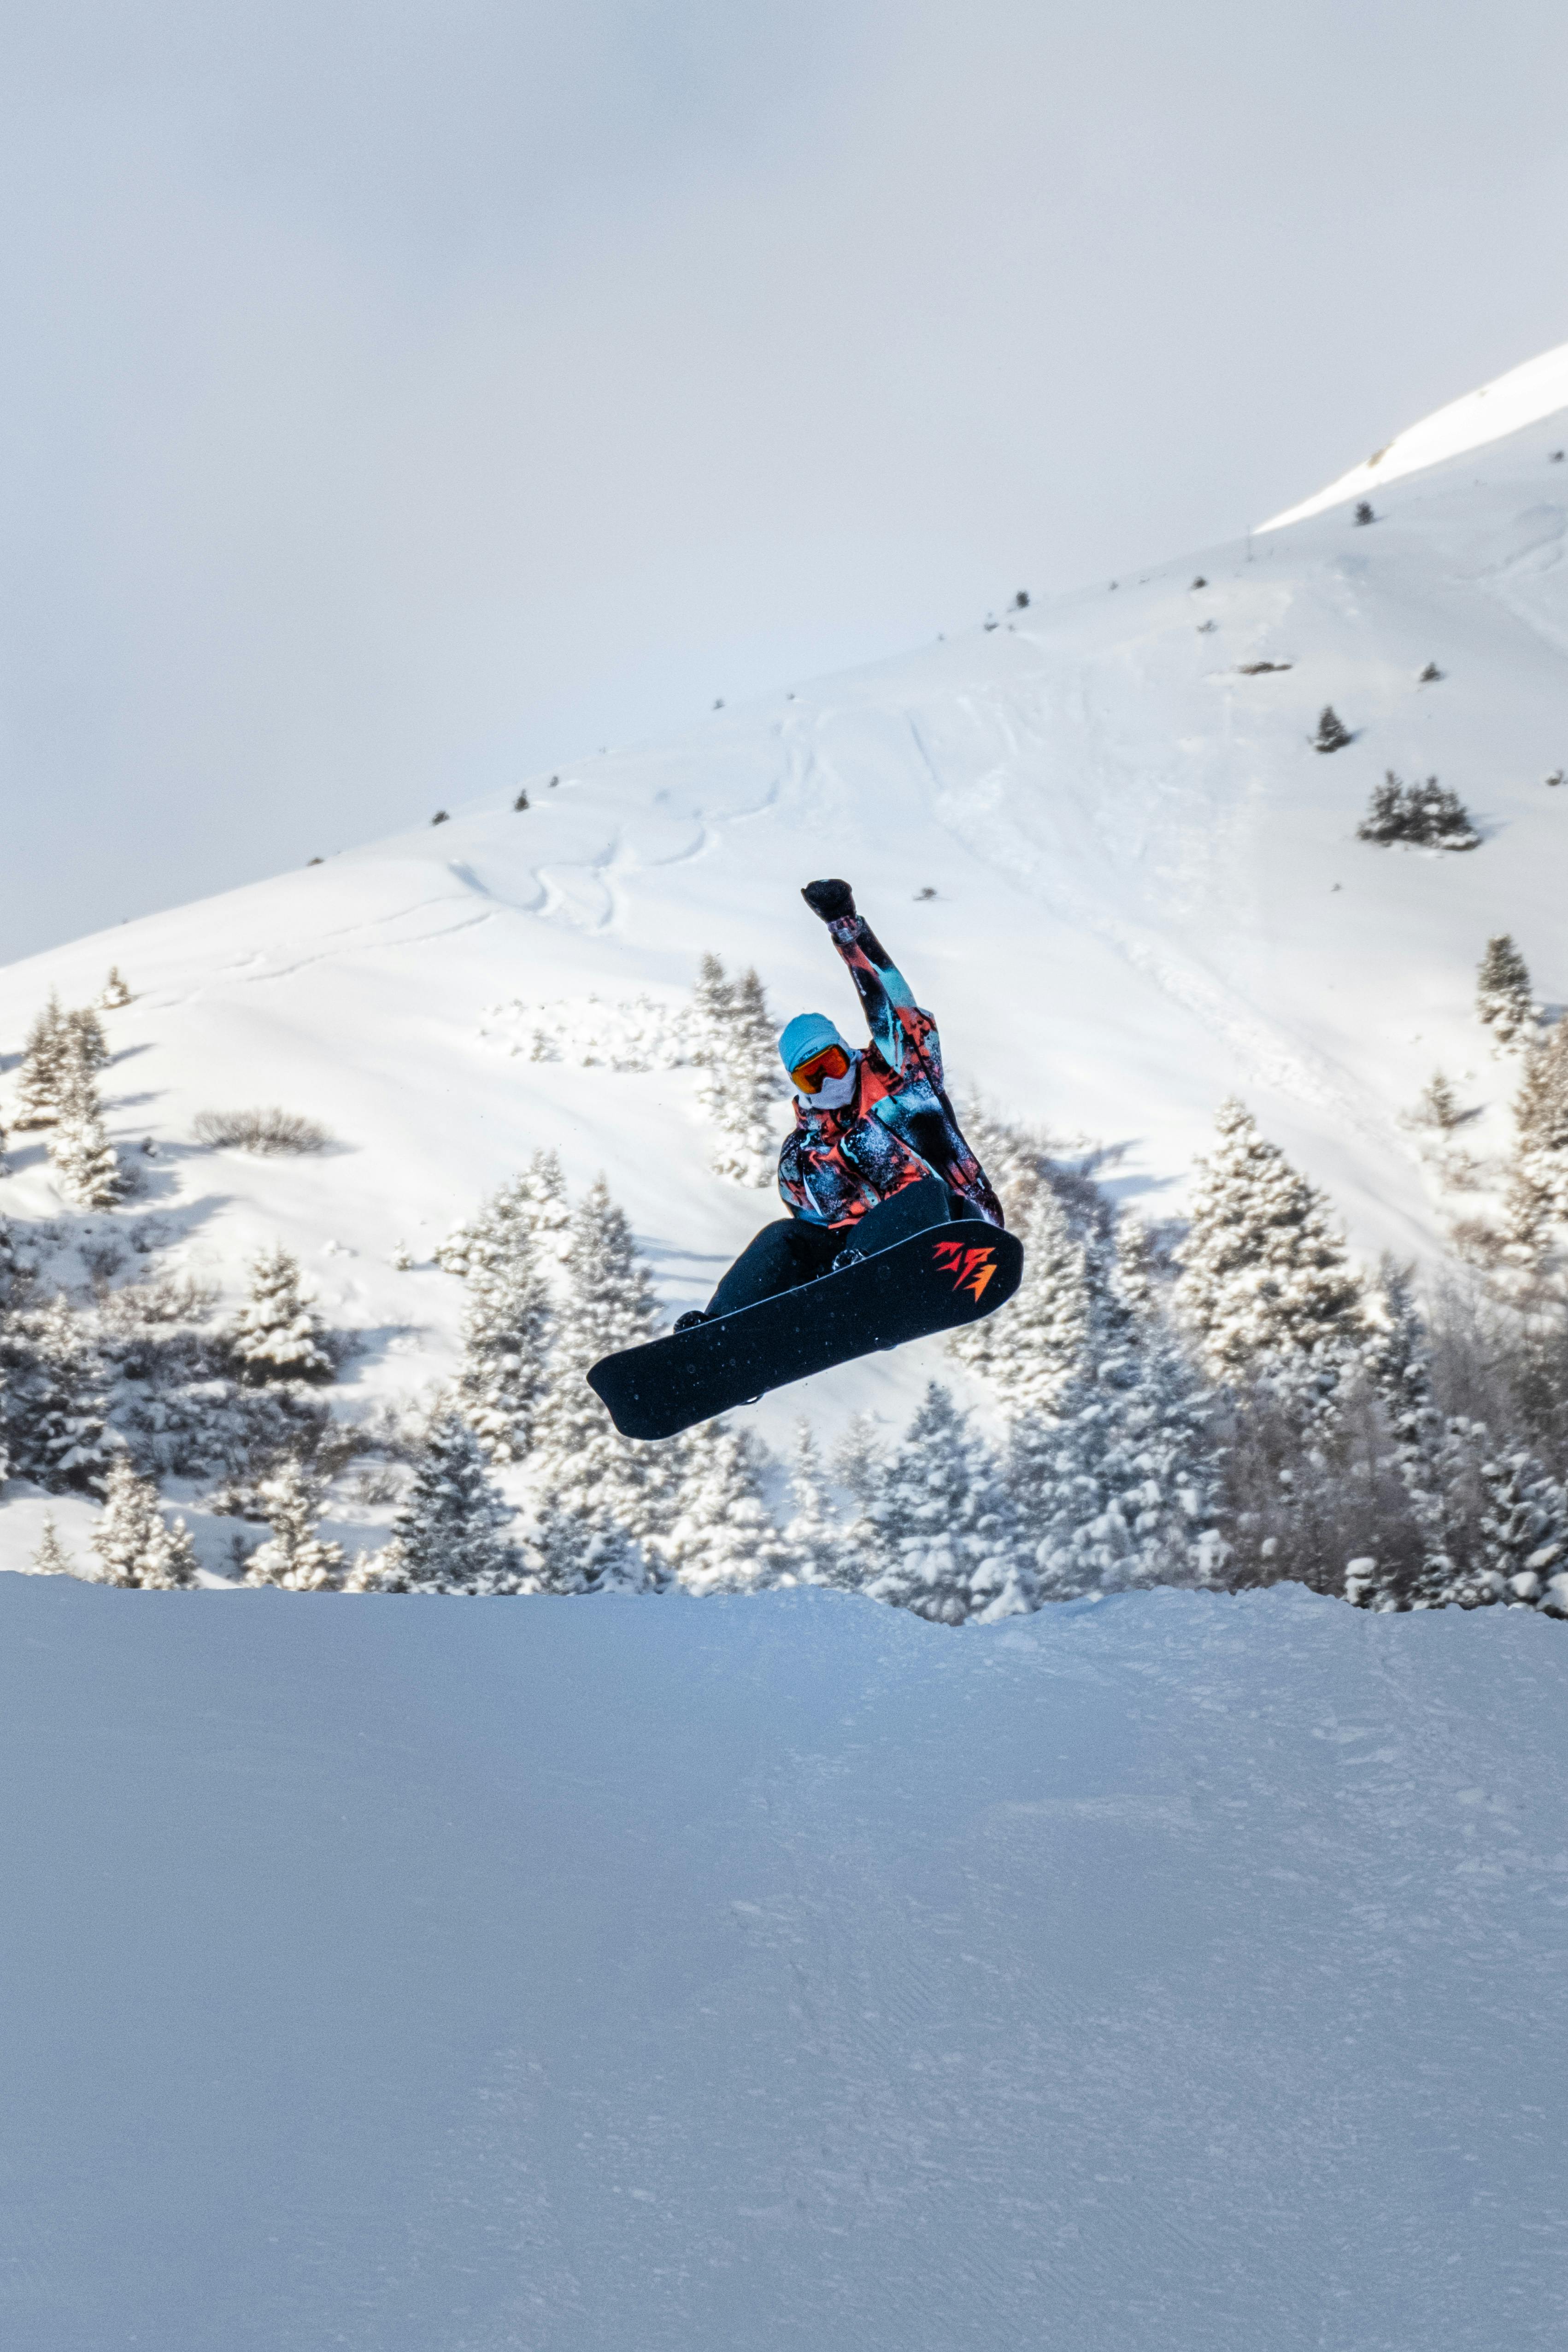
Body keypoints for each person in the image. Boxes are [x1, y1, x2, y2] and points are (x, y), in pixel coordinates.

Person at [675, 879, 1003, 1329]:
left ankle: (861, 1275)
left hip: (954, 1233)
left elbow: (895, 1007)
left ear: (846, 1052)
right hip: (856, 1257)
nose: (828, 1080)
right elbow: (810, 1223)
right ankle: (716, 1331)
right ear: (798, 1084)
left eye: (831, 1062)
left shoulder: (899, 1077)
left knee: (921, 1194)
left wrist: (844, 925)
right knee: (783, 1236)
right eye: (812, 1075)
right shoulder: (802, 1155)